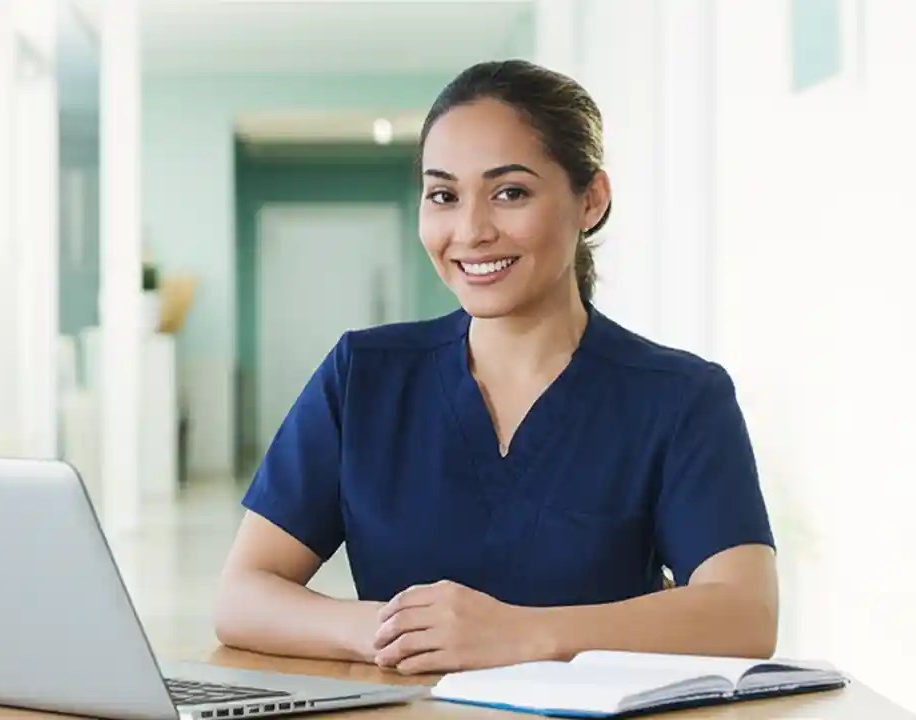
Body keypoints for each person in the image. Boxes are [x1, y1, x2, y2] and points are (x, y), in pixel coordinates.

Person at [214, 60, 777, 675]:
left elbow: (744, 614)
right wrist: (390, 632)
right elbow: (243, 595)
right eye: (444, 196)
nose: (472, 231)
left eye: (510, 192)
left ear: (590, 200)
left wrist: (524, 633)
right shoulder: (363, 377)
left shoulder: (681, 397)